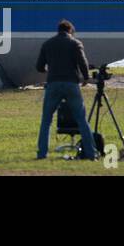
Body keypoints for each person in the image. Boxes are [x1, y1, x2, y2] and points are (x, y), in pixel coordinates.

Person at [35, 19, 98, 160]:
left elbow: (39, 67)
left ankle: (42, 153)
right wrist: (86, 78)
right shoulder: (75, 43)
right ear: (70, 31)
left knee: (46, 120)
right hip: (71, 84)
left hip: (53, 84)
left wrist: (50, 70)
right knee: (81, 120)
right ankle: (91, 153)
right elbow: (83, 62)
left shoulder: (48, 44)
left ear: (58, 30)